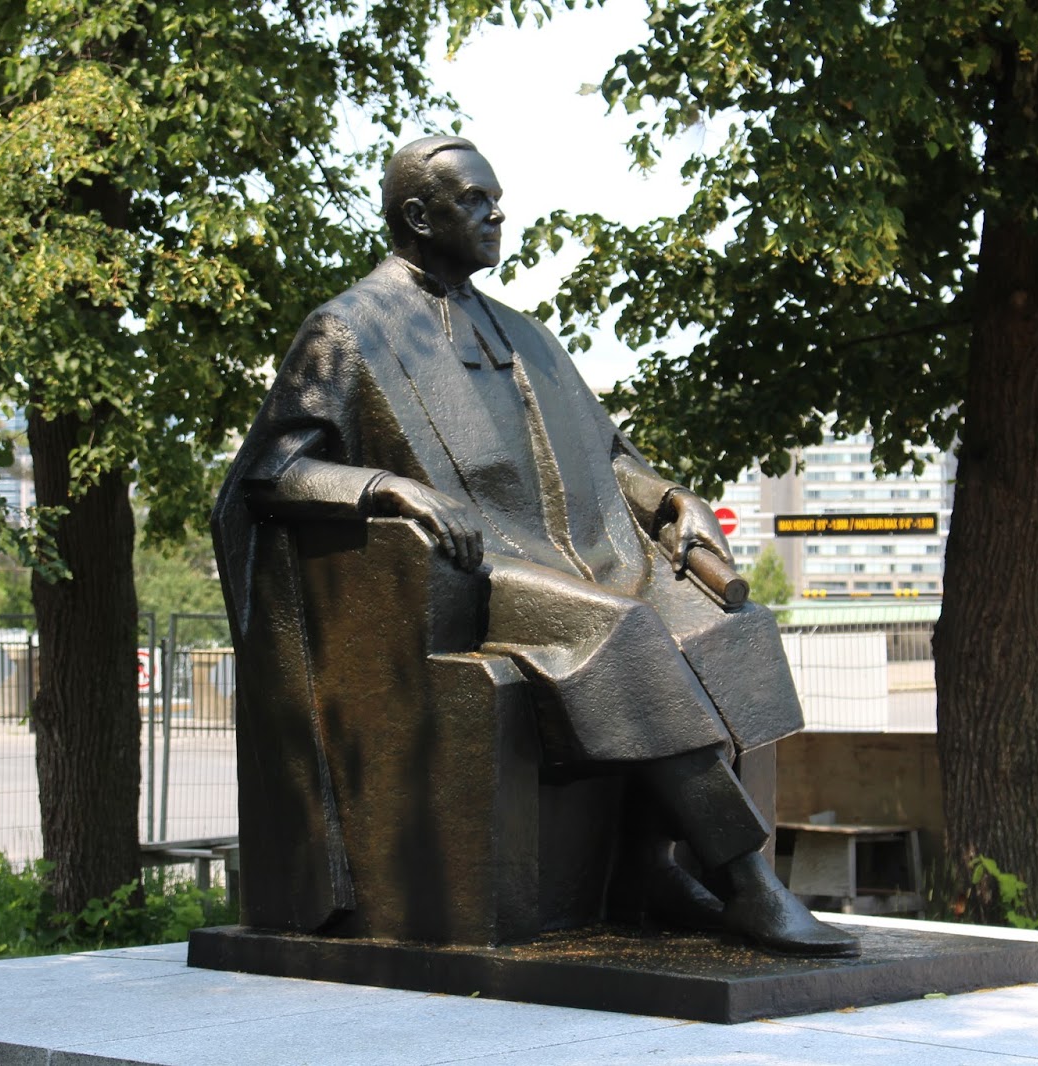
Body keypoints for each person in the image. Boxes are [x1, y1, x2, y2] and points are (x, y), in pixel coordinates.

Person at [213, 135, 857, 957]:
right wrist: (384, 487)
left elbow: (612, 454)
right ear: (417, 215)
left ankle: (652, 866)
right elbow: (268, 475)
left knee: (727, 630)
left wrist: (670, 501)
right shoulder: (349, 330)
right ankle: (748, 882)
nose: (498, 213)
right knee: (623, 634)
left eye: (494, 197)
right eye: (475, 200)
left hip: (596, 556)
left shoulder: (526, 333)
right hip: (477, 578)